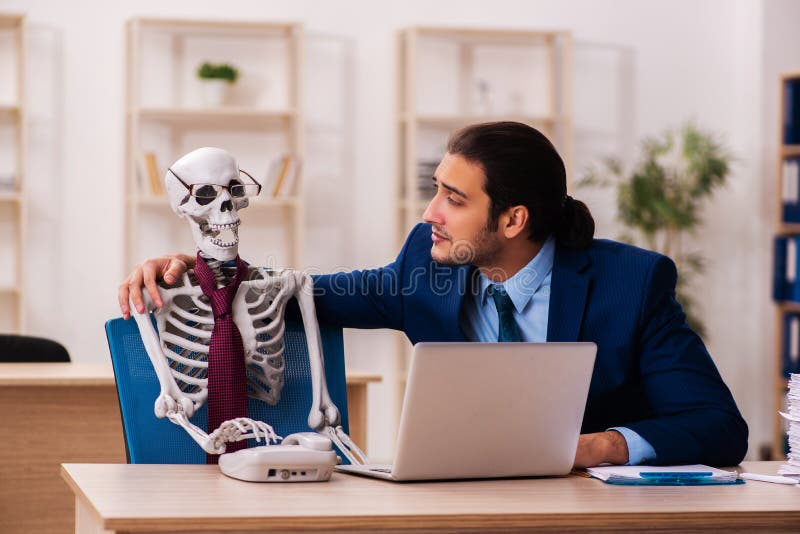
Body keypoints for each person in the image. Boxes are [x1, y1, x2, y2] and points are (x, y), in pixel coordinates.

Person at [119, 121, 748, 467]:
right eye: (436, 190)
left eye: (454, 198)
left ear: (513, 220)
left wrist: (597, 446)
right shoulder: (428, 265)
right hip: (462, 506)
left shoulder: (631, 284)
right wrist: (204, 267)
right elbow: (306, 294)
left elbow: (718, 427)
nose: (430, 214)